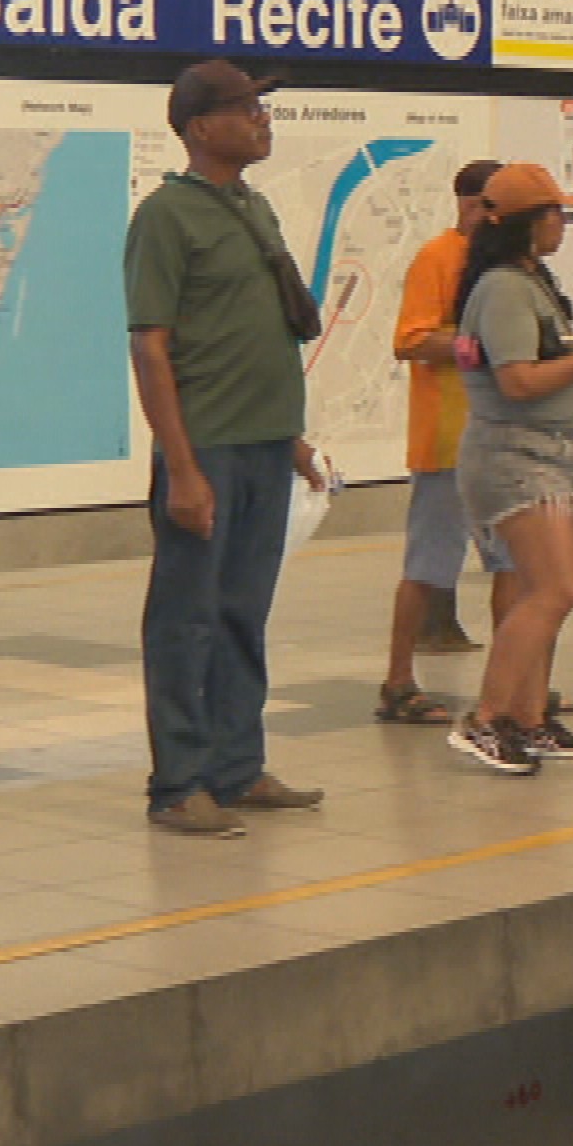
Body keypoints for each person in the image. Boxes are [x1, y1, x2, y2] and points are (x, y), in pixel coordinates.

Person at [126, 60, 329, 836]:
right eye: (247, 109)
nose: (262, 119)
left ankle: (237, 768)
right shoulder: (165, 217)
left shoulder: (254, 206)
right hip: (206, 447)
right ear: (202, 127)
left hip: (264, 445)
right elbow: (151, 348)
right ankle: (178, 783)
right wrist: (181, 468)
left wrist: (292, 440)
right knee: (186, 619)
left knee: (244, 611)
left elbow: (257, 327)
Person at [444, 162, 573, 775]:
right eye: (554, 213)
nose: (562, 223)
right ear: (527, 222)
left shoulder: (530, 280)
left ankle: (528, 717)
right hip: (518, 461)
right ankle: (487, 718)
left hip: (548, 459)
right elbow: (516, 380)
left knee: (533, 589)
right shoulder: (504, 289)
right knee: (556, 590)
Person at [378, 157, 513, 726]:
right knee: (429, 564)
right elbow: (409, 341)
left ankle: (513, 682)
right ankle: (398, 681)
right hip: (446, 441)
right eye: (480, 205)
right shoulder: (437, 258)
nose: (487, 217)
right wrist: (474, 347)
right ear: (463, 204)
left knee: (513, 565)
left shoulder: (507, 265)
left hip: (502, 441)